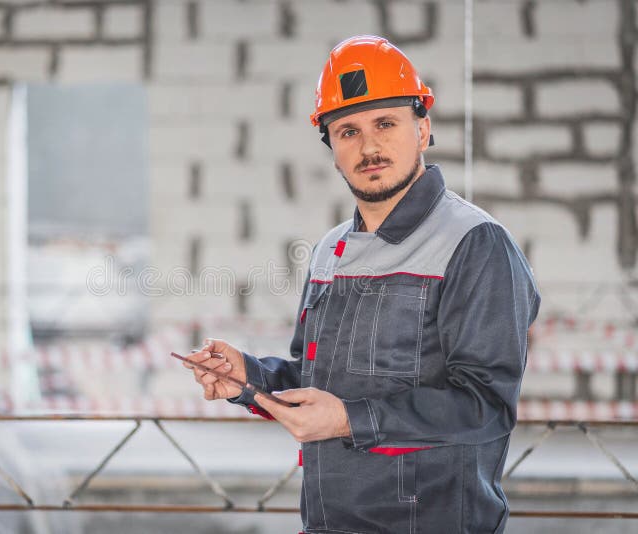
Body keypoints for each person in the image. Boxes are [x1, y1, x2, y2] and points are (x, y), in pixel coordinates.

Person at [181, 35, 540, 534]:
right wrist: (250, 379)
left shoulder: (475, 244)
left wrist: (349, 419)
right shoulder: (330, 251)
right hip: (329, 522)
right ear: (331, 148)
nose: (368, 146)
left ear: (423, 128)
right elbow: (320, 387)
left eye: (386, 123)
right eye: (347, 131)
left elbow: (485, 406)